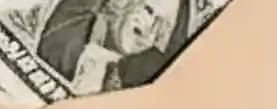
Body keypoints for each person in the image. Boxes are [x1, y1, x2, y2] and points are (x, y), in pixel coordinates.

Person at [36, 0, 193, 94]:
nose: (149, 30)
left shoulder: (131, 80)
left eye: (161, 29)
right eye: (148, 10)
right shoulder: (66, 36)